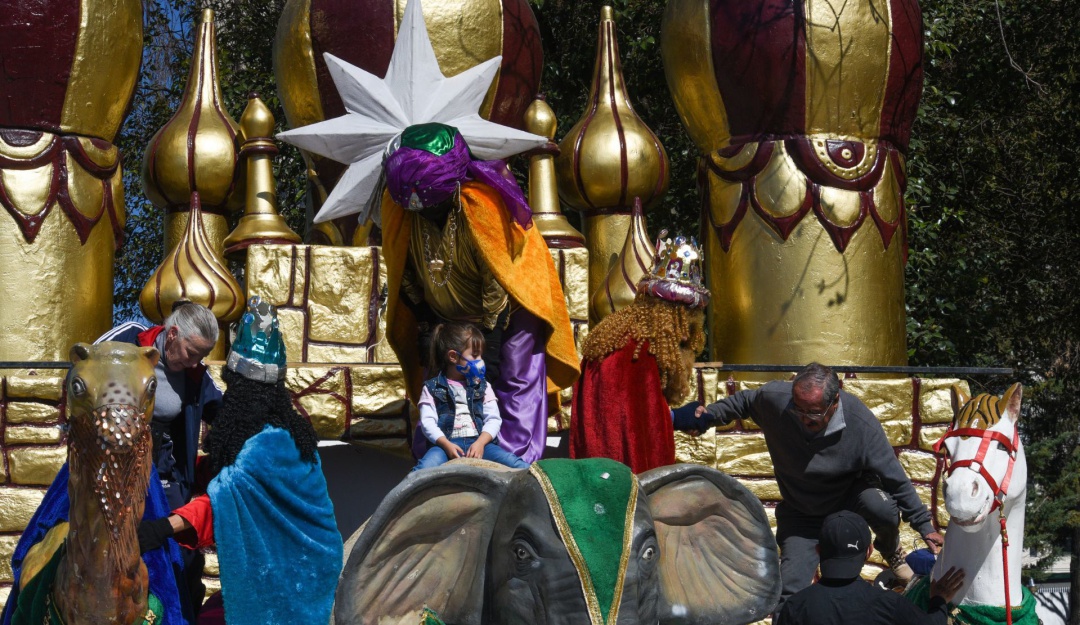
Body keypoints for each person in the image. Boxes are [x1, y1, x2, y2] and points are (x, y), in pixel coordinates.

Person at [380, 123, 580, 465]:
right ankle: (441, 463)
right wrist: (427, 327)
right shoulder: (403, 210)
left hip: (508, 312)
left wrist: (492, 346)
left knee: (511, 383)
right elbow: (407, 273)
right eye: (415, 206)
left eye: (430, 204)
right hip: (446, 318)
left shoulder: (482, 207)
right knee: (441, 388)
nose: (422, 211)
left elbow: (498, 280)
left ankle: (513, 468)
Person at [137, 296, 343, 625]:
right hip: (288, 561)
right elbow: (227, 479)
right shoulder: (275, 432)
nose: (227, 399)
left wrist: (160, 528)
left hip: (297, 571)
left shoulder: (269, 443)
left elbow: (219, 500)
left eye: (236, 391)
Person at [677, 362, 945, 606]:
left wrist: (925, 526)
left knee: (883, 507)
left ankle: (890, 550)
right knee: (790, 592)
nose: (804, 419)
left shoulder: (860, 424)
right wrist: (709, 415)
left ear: (835, 401)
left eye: (814, 414)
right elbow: (746, 401)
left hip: (849, 500)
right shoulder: (777, 400)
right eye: (799, 409)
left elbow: (894, 478)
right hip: (802, 512)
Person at [570, 234, 709, 473]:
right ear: (669, 316)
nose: (686, 336)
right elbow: (644, 430)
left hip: (594, 464)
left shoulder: (616, 333)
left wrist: (675, 417)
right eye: (685, 323)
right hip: (623, 473)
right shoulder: (639, 352)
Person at [97, 300, 221, 510]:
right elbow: (81, 368)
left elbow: (224, 412)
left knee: (163, 532)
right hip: (111, 461)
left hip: (163, 468)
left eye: (202, 356)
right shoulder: (130, 338)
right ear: (173, 334)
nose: (194, 362)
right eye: (191, 352)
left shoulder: (195, 373)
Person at [777, 511, 965, 625]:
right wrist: (939, 599)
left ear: (818, 550)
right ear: (869, 551)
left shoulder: (795, 607)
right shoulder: (888, 604)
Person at [413, 322, 529, 471]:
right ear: (453, 356)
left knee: (515, 464)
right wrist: (445, 445)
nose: (480, 360)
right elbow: (428, 423)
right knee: (423, 469)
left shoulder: (483, 385)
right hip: (444, 446)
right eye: (475, 355)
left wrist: (480, 443)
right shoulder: (432, 387)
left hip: (480, 444)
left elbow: (493, 418)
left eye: (480, 355)